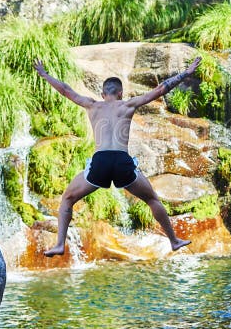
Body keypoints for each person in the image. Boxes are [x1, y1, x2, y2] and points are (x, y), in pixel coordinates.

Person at [33, 56, 202, 256]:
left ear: (103, 93)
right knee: (152, 199)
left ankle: (60, 244)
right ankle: (173, 240)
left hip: (101, 161)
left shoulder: (92, 105)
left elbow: (66, 90)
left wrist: (44, 74)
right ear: (121, 93)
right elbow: (161, 89)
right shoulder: (128, 105)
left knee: (68, 199)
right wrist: (186, 73)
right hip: (122, 161)